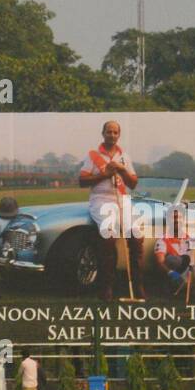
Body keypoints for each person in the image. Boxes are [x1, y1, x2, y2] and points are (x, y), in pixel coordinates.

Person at [79, 121, 139, 301]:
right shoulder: (93, 155)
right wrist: (105, 174)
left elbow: (133, 184)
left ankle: (138, 284)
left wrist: (121, 170)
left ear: (119, 135)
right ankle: (107, 286)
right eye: (109, 132)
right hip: (101, 199)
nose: (112, 135)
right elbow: (82, 181)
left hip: (122, 198)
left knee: (136, 238)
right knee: (108, 238)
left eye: (115, 132)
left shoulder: (124, 156)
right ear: (103, 133)